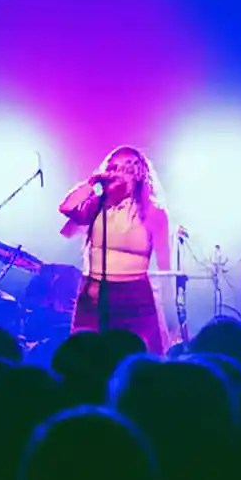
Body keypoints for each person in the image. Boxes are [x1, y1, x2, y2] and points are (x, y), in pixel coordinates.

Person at [58, 146, 172, 354]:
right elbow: (67, 208)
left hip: (134, 293)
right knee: (86, 353)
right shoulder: (97, 205)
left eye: (122, 168)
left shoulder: (153, 212)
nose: (114, 173)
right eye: (112, 167)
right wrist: (92, 183)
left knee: (138, 354)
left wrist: (168, 319)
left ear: (137, 174)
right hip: (93, 291)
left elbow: (165, 267)